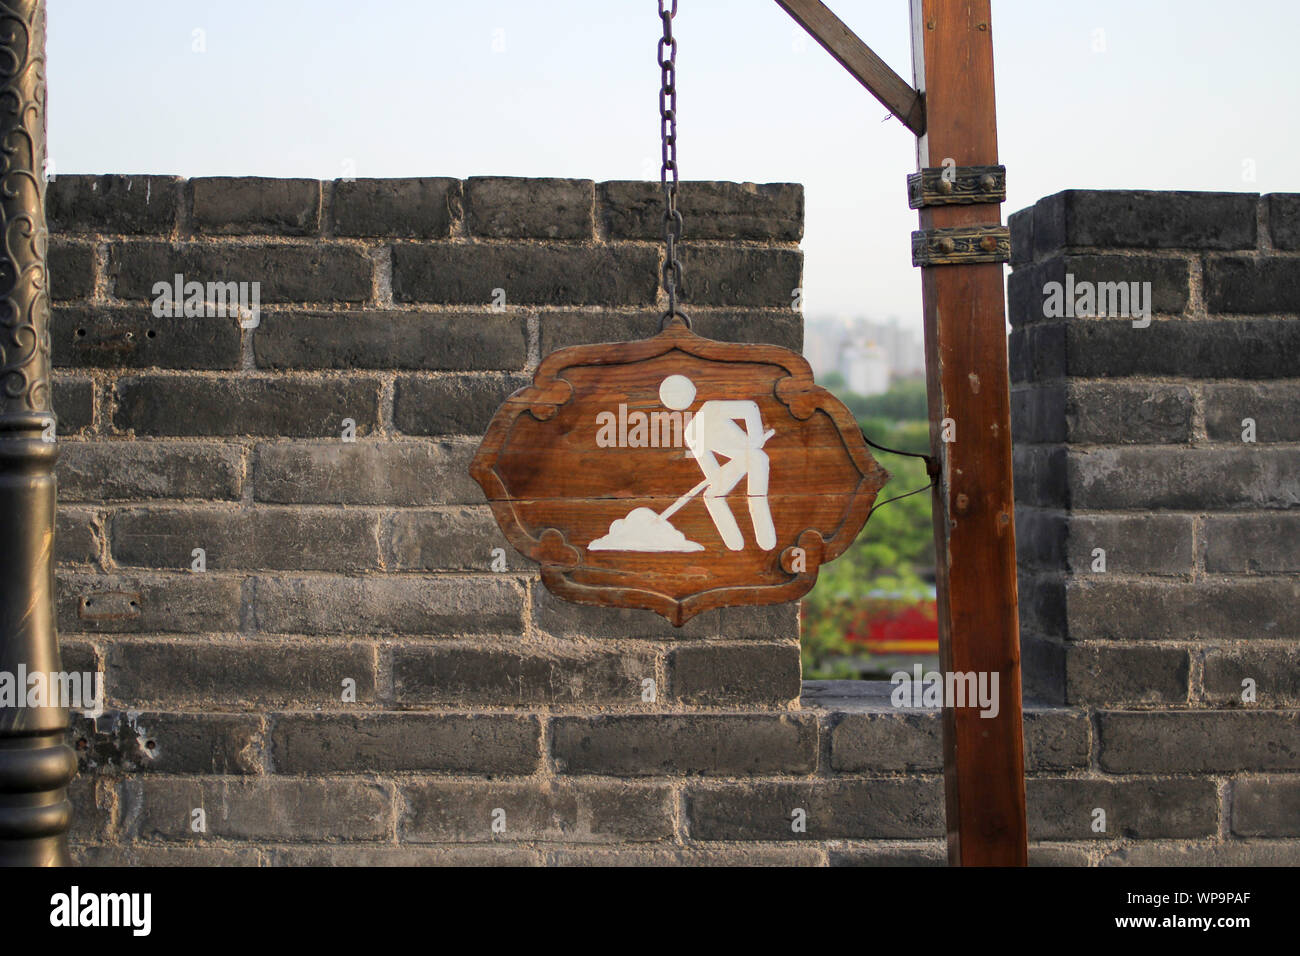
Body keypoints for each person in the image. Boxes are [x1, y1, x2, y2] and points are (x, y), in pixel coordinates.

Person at [659, 374, 776, 551]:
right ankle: (734, 545)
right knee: (711, 495)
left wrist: (755, 437)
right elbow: (712, 473)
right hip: (738, 462)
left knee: (757, 480)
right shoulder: (691, 434)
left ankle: (765, 538)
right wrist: (719, 476)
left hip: (753, 454)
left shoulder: (712, 407)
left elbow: (750, 408)